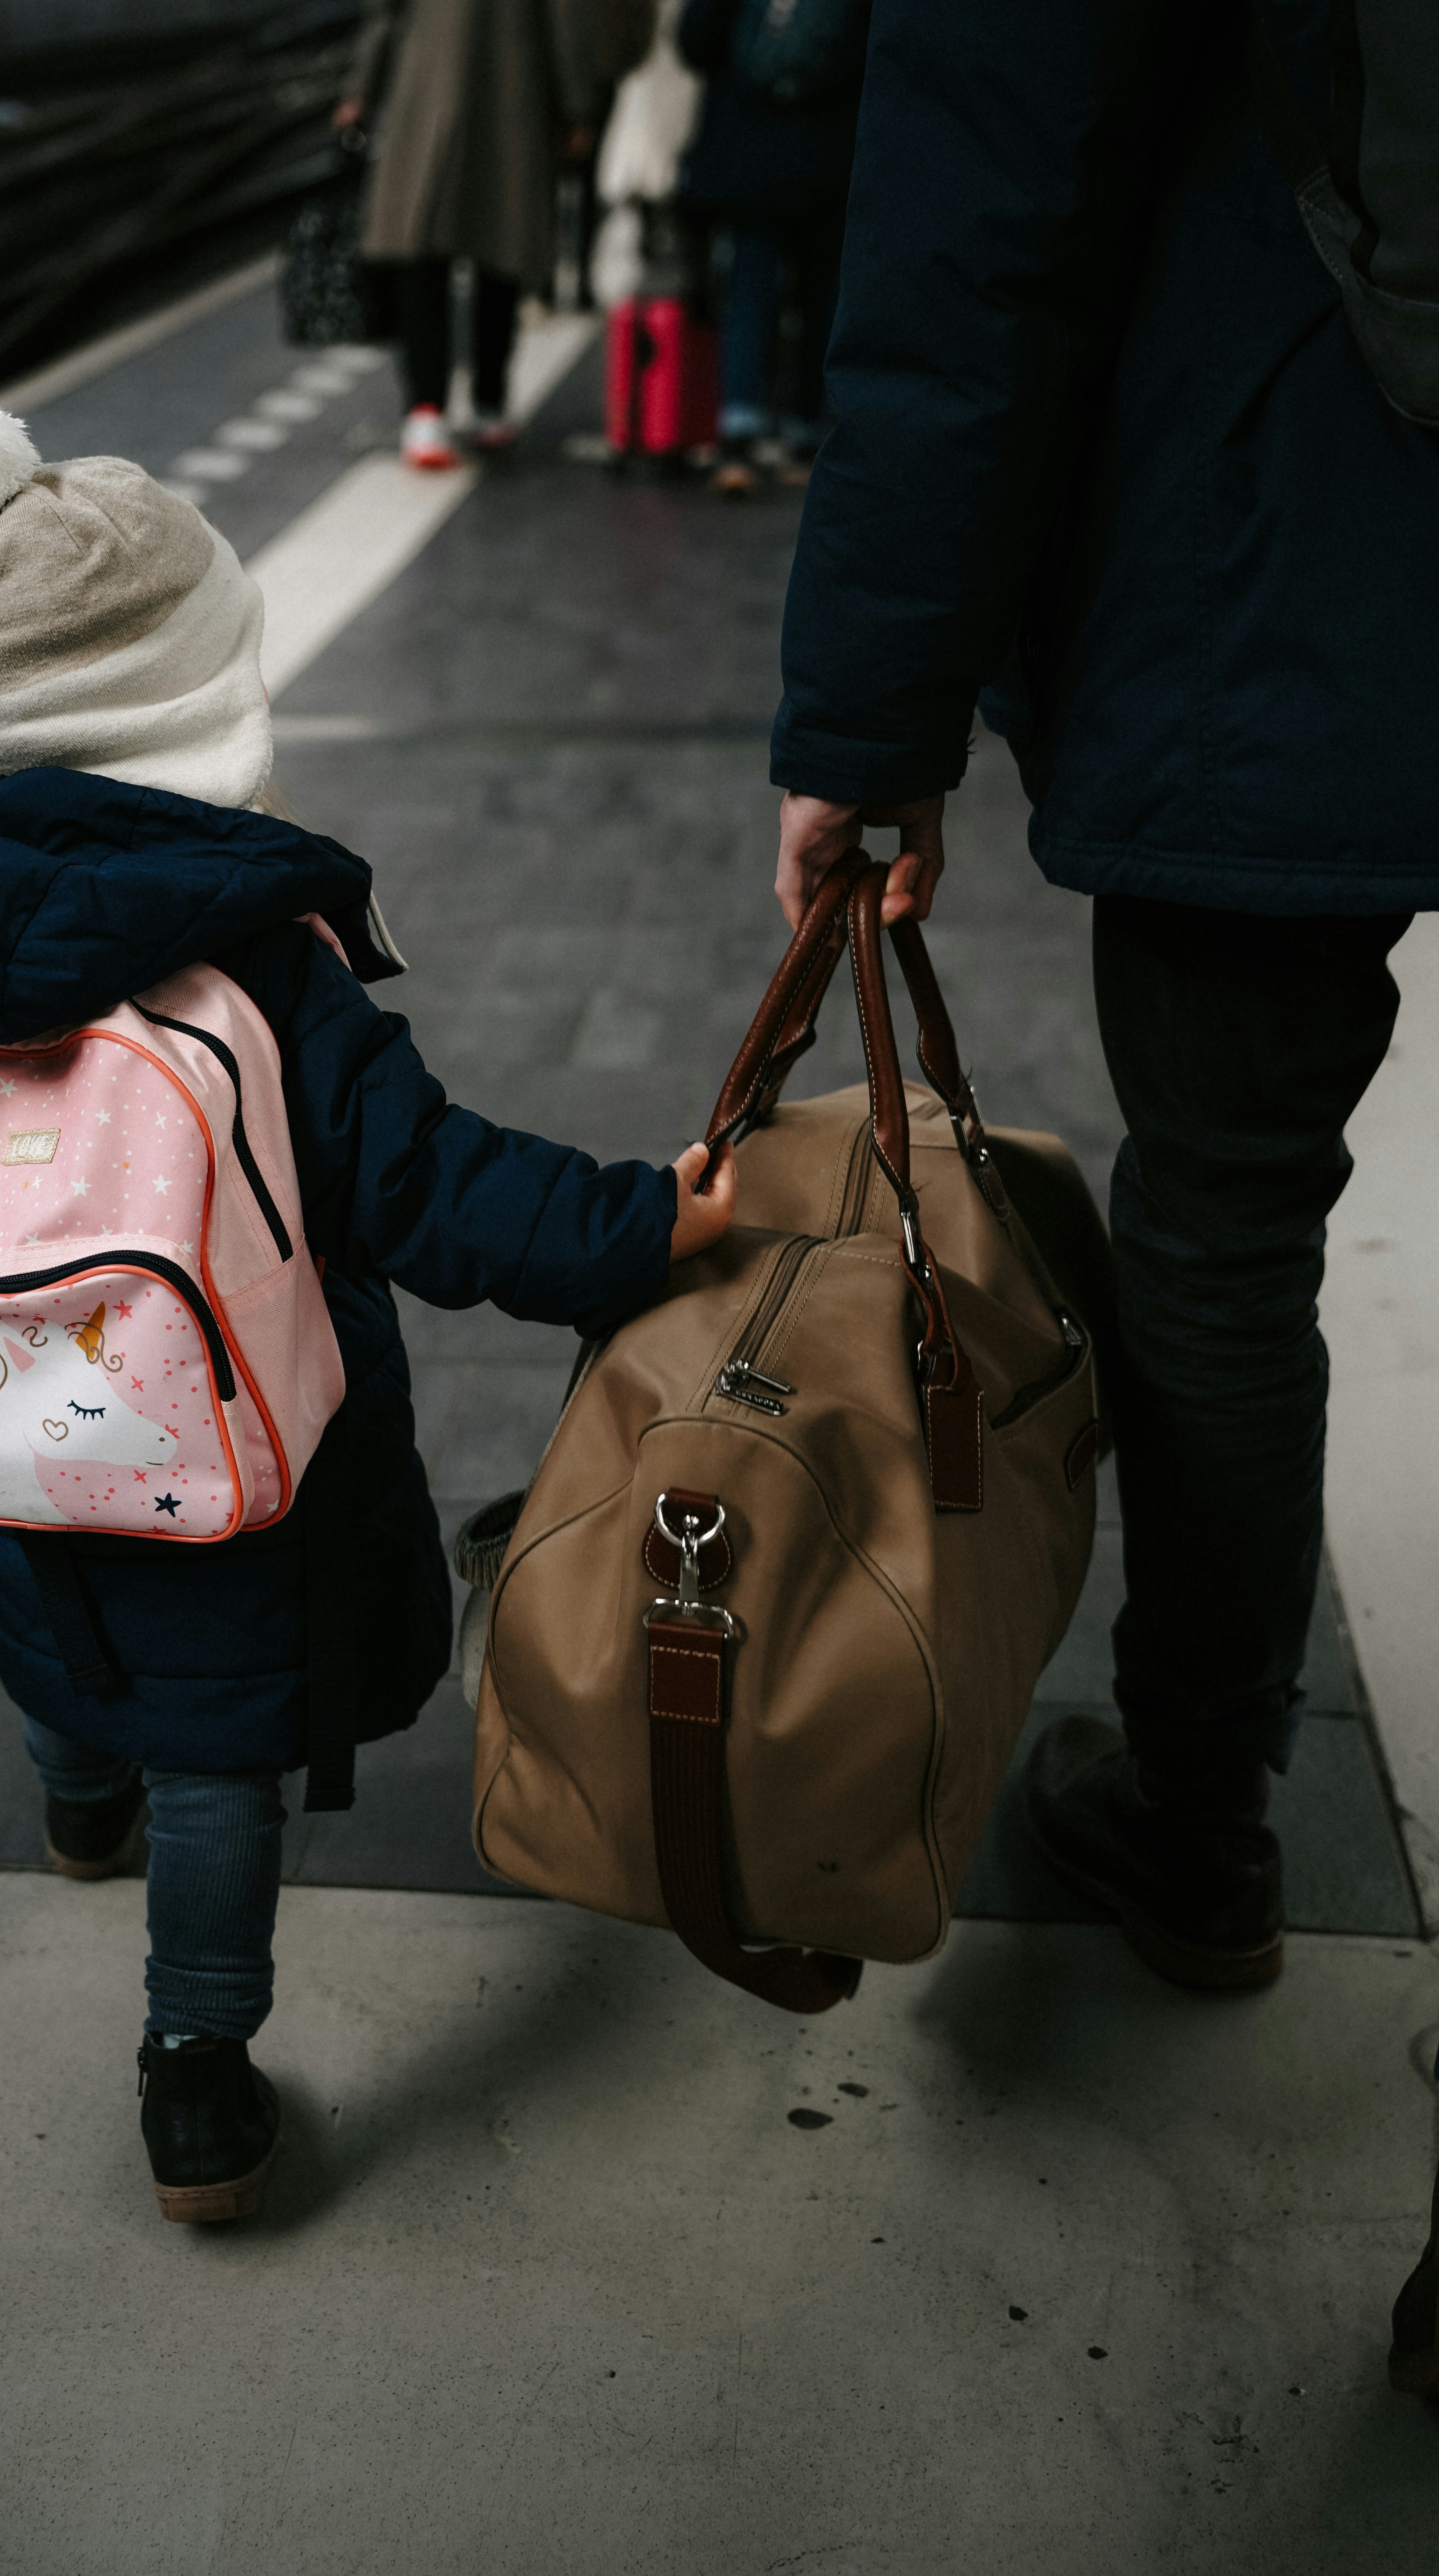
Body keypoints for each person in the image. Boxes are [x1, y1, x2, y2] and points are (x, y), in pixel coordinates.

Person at [0, 396, 737, 2224]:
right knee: (220, 1757)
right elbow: (435, 1188)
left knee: (53, 1628)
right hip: (212, 1445)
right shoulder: (250, 950)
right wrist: (646, 1224)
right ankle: (197, 2075)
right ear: (191, 690)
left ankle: (78, 1807)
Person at [767, 0, 1439, 2359]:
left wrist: (869, 717)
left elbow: (980, 217)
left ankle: (1198, 1817)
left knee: (1222, 1239)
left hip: (1299, 554)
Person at [335, 0, 603, 469]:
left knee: (420, 252)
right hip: (510, 98)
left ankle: (426, 411)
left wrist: (361, 89)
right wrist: (576, 106)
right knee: (501, 252)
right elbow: (565, 22)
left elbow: (384, 13)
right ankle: (488, 403)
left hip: (424, 94)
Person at [675, 0, 867, 494]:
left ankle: (737, 434)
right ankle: (807, 431)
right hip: (828, 149)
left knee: (748, 291)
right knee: (820, 294)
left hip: (750, 152)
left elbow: (694, 43)